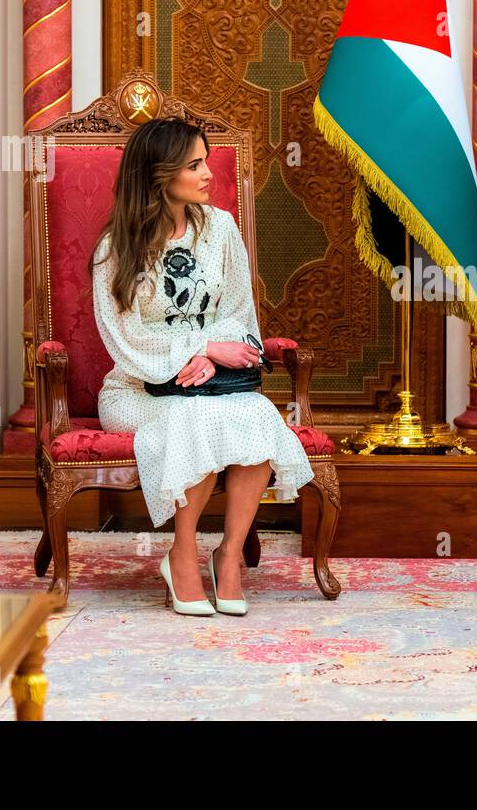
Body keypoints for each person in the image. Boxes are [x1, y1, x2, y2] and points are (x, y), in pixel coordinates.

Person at [90, 118, 314, 617]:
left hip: (212, 383)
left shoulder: (222, 229)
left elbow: (238, 310)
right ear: (158, 174)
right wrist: (199, 347)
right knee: (192, 419)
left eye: (206, 161)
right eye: (194, 165)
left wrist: (214, 355)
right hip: (137, 389)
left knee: (258, 416)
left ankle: (229, 554)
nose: (208, 173)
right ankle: (182, 553)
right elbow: (124, 337)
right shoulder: (115, 248)